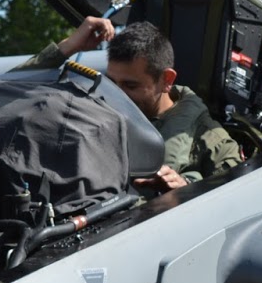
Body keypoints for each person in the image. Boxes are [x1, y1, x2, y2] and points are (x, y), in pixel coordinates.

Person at [102, 22, 242, 191]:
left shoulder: (213, 142)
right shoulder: (99, 114)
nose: (117, 95)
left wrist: (185, 189)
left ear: (166, 80)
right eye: (111, 83)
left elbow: (234, 200)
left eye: (130, 86)